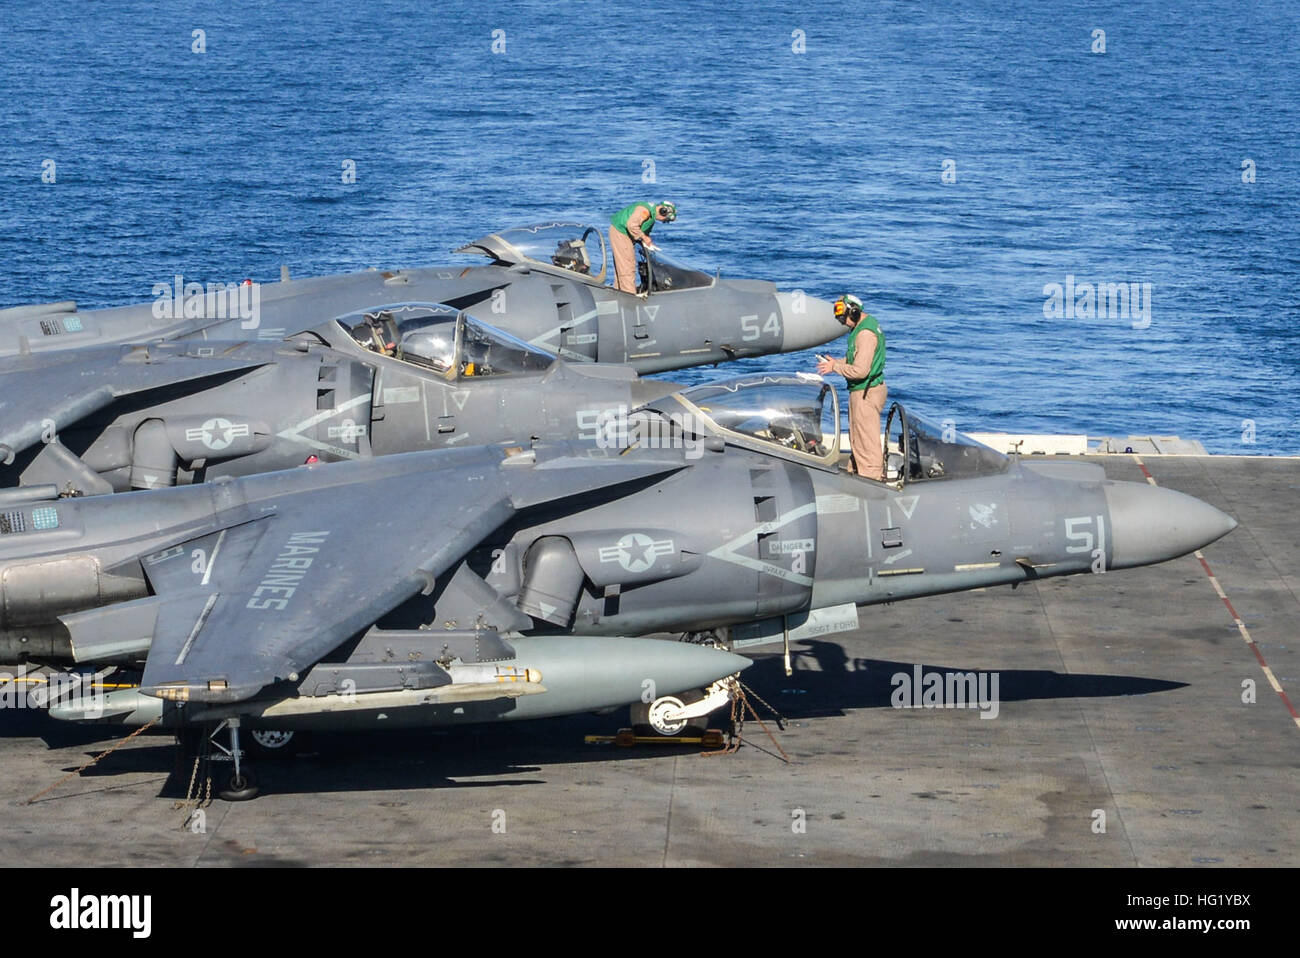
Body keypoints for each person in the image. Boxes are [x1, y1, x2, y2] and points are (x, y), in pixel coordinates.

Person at [817, 295, 887, 480]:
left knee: (866, 443)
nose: (844, 324)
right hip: (864, 391)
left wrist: (835, 368)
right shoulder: (864, 326)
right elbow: (856, 359)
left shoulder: (865, 335)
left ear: (854, 312)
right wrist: (835, 363)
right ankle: (857, 474)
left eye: (845, 319)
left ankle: (871, 482)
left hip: (866, 392)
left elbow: (860, 371)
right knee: (858, 438)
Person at [609, 201, 677, 294]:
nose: (663, 221)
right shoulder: (644, 211)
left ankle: (619, 293)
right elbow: (632, 225)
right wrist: (644, 238)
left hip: (625, 234)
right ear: (663, 211)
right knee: (627, 268)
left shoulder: (651, 216)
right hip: (621, 233)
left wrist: (647, 243)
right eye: (665, 220)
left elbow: (643, 232)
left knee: (621, 267)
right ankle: (629, 298)